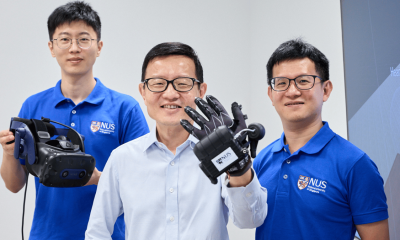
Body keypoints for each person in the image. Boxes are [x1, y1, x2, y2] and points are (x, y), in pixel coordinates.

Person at [85, 42, 268, 240]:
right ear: (143, 92)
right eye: (157, 83)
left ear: (201, 90)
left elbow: (249, 221)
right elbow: (97, 232)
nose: (170, 94)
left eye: (182, 83)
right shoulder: (122, 159)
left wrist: (238, 166)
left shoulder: (220, 151)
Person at [0, 2, 149, 240]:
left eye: (83, 39)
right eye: (64, 39)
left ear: (99, 46)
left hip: (108, 235)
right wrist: (8, 153)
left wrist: (98, 179)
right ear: (51, 47)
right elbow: (14, 185)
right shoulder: (33, 106)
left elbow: (147, 183)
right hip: (46, 234)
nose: (74, 48)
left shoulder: (124, 108)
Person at [253, 38, 389, 240]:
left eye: (303, 81)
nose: (292, 91)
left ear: (325, 90)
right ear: (271, 94)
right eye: (281, 83)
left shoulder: (355, 165)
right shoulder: (262, 160)